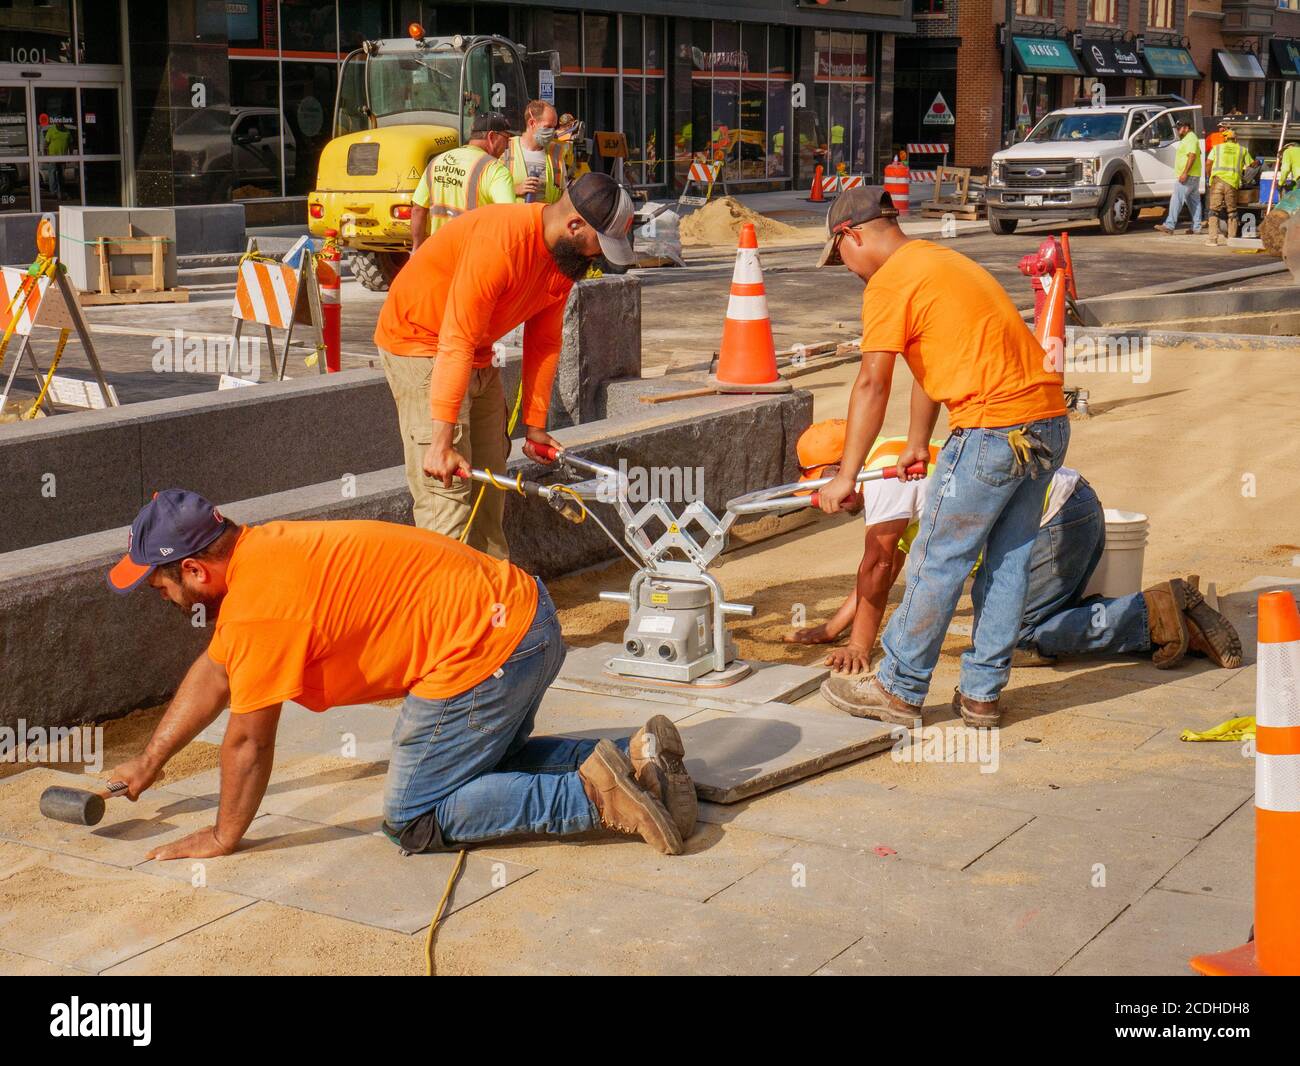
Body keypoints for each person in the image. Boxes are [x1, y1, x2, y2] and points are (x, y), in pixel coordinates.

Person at [104, 490, 696, 860]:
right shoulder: (266, 551)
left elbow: (247, 741)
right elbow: (216, 670)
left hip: (484, 653)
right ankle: (637, 753)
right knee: (480, 771)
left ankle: (599, 797)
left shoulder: (261, 607)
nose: (161, 596)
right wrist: (149, 761)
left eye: (160, 586)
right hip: (527, 619)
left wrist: (221, 836)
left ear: (194, 570)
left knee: (417, 818)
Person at [813, 186, 1070, 729]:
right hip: (1046, 421)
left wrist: (845, 475)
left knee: (937, 558)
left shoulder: (888, 283)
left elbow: (871, 384)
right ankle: (981, 695)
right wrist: (914, 443)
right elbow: (933, 362)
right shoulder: (941, 261)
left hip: (992, 430)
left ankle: (899, 687)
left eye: (842, 259)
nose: (849, 271)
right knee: (1008, 562)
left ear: (850, 235)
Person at [787, 423, 1241, 693]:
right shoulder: (890, 458)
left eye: (820, 489)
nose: (824, 502)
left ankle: (1154, 614)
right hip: (1068, 506)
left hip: (1053, 521)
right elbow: (887, 570)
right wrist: (834, 627)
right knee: (1025, 623)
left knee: (1012, 637)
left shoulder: (881, 476)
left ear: (835, 470)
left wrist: (859, 647)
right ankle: (1157, 616)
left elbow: (879, 566)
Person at [373, 173, 635, 556]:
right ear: (574, 225)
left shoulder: (564, 261)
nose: (597, 256)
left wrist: (536, 425)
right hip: (421, 343)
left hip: (471, 350)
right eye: (599, 245)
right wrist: (441, 442)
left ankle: (494, 602)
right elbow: (455, 340)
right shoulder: (501, 243)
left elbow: (544, 342)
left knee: (489, 484)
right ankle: (446, 608)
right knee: (447, 499)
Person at [410, 111, 515, 251]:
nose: (507, 146)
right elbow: (509, 218)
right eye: (506, 139)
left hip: (438, 253)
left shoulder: (436, 162)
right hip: (471, 257)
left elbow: (417, 210)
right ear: (491, 137)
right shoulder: (495, 170)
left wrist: (416, 247)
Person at [501, 100, 566, 204]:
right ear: (532, 123)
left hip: (544, 218)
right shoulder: (505, 148)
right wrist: (515, 189)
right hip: (515, 218)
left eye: (554, 127)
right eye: (548, 127)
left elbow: (563, 192)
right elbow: (489, 188)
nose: (552, 132)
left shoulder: (556, 152)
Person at [1205, 128, 1255, 246]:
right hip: (1232, 183)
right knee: (1232, 211)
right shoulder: (1242, 150)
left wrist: (1209, 176)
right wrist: (1259, 162)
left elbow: (1208, 163)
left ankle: (1213, 239)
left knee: (1213, 211)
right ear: (1235, 139)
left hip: (1217, 181)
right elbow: (1251, 164)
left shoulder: (1217, 148)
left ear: (1225, 139)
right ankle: (1232, 239)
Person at [1158, 118, 1203, 236]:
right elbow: (1198, 154)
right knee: (1194, 202)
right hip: (1194, 175)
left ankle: (1169, 225)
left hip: (1188, 176)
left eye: (1179, 128)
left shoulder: (1190, 138)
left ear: (1186, 128)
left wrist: (1184, 173)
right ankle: (1197, 227)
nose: (1178, 130)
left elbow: (1192, 156)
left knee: (1176, 199)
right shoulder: (1191, 138)